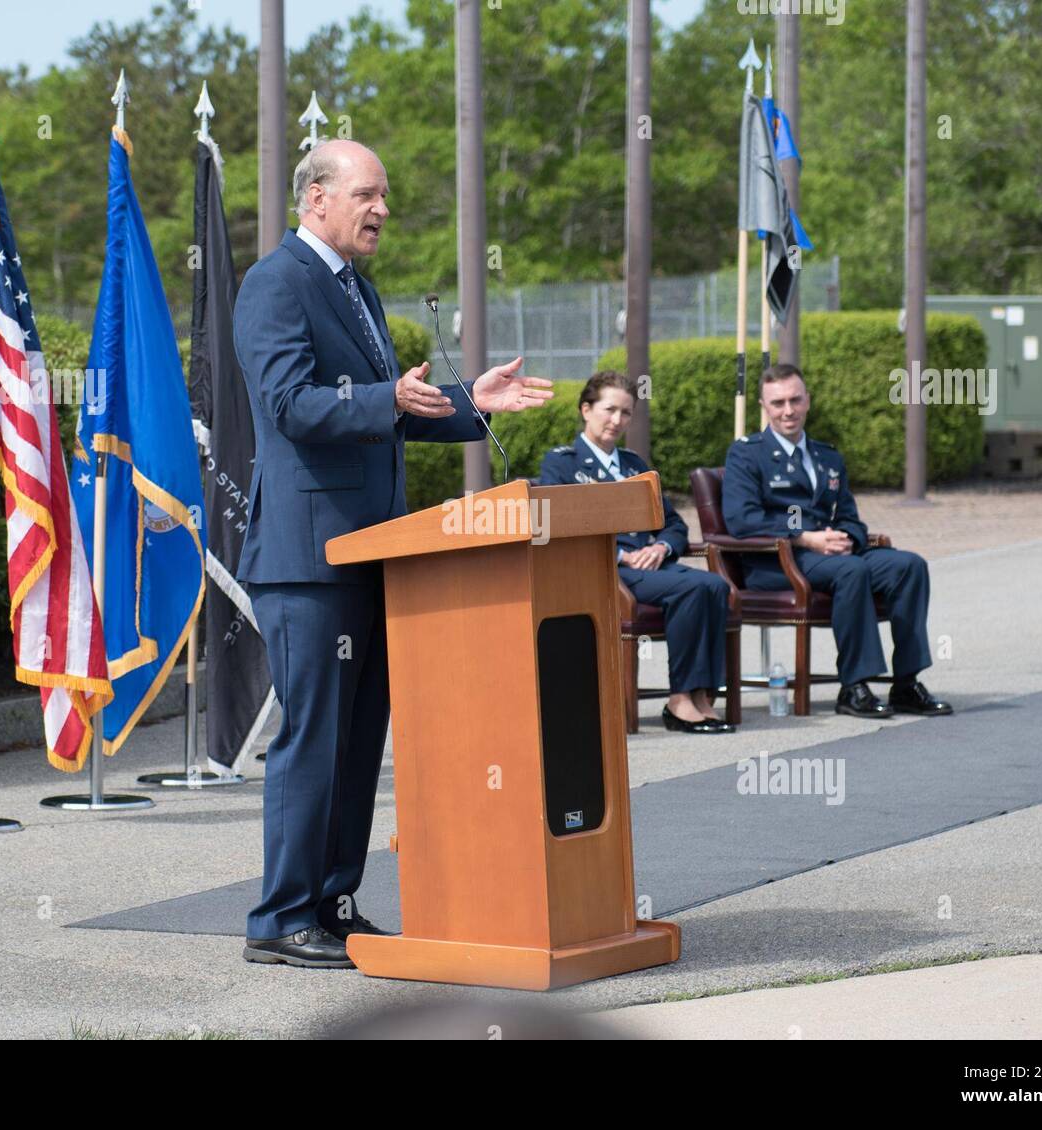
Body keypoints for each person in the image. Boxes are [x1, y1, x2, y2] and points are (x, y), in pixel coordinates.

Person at [231, 139, 553, 969]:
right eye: (367, 194)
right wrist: (385, 397)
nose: (380, 209)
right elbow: (289, 402)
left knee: (357, 737)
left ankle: (333, 904)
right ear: (315, 199)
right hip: (309, 556)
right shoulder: (277, 282)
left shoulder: (358, 290)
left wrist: (466, 402)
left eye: (385, 196)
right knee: (313, 736)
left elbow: (392, 409)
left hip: (378, 552)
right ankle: (279, 918)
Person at [721, 362, 953, 719]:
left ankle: (906, 682)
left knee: (909, 566)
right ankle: (854, 686)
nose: (788, 411)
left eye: (795, 400)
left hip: (832, 553)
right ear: (764, 407)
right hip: (778, 561)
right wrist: (806, 537)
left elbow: (848, 515)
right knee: (851, 571)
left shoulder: (827, 456)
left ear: (808, 401)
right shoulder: (747, 454)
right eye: (778, 403)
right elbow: (743, 520)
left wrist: (846, 537)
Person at [539, 371, 735, 734]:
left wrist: (662, 545)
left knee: (715, 586)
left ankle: (702, 695)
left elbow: (673, 523)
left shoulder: (635, 466)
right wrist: (620, 555)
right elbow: (560, 527)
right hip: (607, 571)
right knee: (692, 589)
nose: (617, 421)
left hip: (651, 566)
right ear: (586, 409)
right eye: (609, 410)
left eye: (626, 413)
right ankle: (681, 699)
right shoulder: (563, 464)